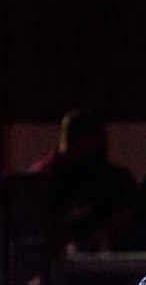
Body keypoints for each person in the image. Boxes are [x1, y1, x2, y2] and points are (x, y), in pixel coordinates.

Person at [29, 107, 136, 252]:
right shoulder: (42, 178)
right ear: (88, 140)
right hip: (53, 260)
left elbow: (123, 217)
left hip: (96, 260)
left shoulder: (113, 179)